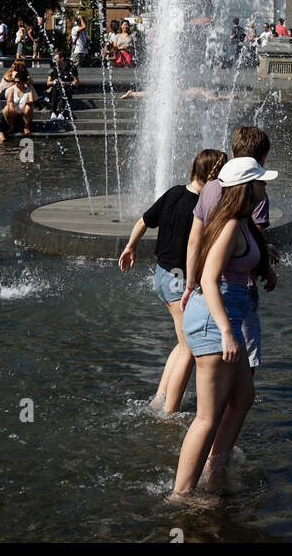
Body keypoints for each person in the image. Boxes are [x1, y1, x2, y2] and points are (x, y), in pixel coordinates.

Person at [169, 138, 278, 499]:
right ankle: (181, 496)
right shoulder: (231, 225)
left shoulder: (242, 222)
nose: (266, 186)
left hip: (228, 315)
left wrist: (265, 263)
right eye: (261, 182)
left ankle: (215, 470)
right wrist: (228, 333)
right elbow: (208, 280)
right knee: (207, 416)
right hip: (214, 322)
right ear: (247, 189)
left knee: (243, 397)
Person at [118, 148, 228, 416]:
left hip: (162, 275)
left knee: (181, 343)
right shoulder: (204, 205)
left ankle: (159, 398)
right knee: (190, 347)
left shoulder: (174, 192)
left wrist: (130, 247)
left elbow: (143, 220)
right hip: (179, 281)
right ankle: (168, 411)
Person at [2, 64, 37, 137]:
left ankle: (26, 126)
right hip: (14, 112)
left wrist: (27, 103)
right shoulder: (12, 89)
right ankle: (11, 126)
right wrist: (11, 106)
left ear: (23, 82)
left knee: (28, 107)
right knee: (6, 109)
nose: (16, 84)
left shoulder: (29, 90)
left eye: (18, 82)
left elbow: (31, 100)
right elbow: (9, 101)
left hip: (24, 111)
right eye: (15, 82)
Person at [46, 50, 80, 120]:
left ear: (62, 59)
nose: (55, 61)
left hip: (68, 88)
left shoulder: (72, 68)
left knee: (62, 89)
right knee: (55, 89)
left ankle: (61, 113)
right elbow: (48, 82)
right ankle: (53, 113)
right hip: (56, 88)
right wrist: (54, 82)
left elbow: (76, 82)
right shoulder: (54, 68)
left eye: (56, 59)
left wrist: (67, 83)